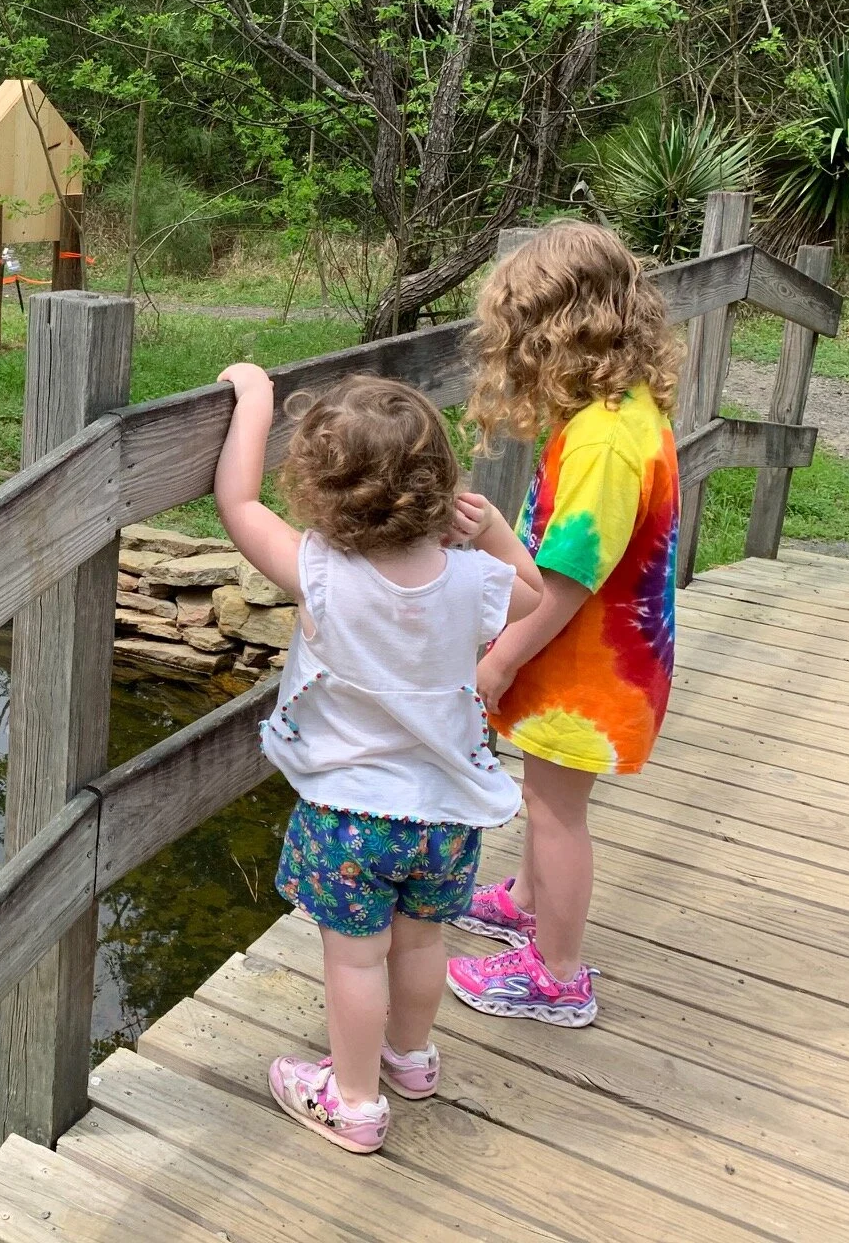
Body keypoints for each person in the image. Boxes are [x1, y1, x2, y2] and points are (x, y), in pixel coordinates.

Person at [214, 366, 543, 1154]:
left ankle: (353, 1101)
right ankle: (411, 1058)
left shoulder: (319, 573)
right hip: (446, 812)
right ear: (441, 486)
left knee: (356, 962)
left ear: (321, 487)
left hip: (350, 813)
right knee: (423, 940)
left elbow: (236, 504)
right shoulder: (470, 578)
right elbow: (531, 593)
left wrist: (254, 400)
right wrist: (493, 528)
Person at [445, 219, 683, 1028]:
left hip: (585, 670)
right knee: (545, 796)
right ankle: (523, 902)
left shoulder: (604, 442)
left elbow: (568, 587)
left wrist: (499, 661)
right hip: (586, 654)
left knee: (555, 811)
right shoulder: (619, 414)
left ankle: (557, 973)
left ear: (558, 333)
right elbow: (562, 561)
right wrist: (494, 534)